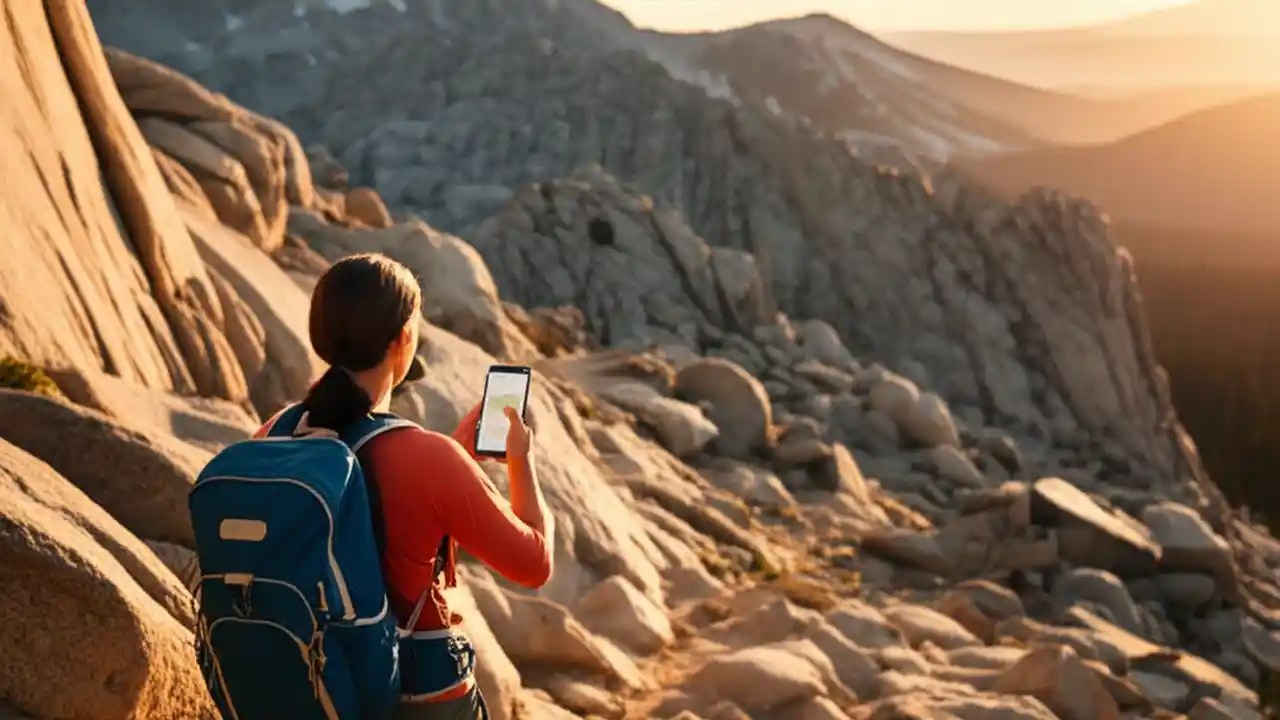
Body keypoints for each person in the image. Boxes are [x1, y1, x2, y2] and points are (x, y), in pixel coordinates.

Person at [257, 253, 554, 719]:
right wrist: (520, 459)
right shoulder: (426, 458)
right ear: (403, 339)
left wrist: (456, 455)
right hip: (417, 698)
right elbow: (533, 563)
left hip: (301, 683)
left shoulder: (274, 432)